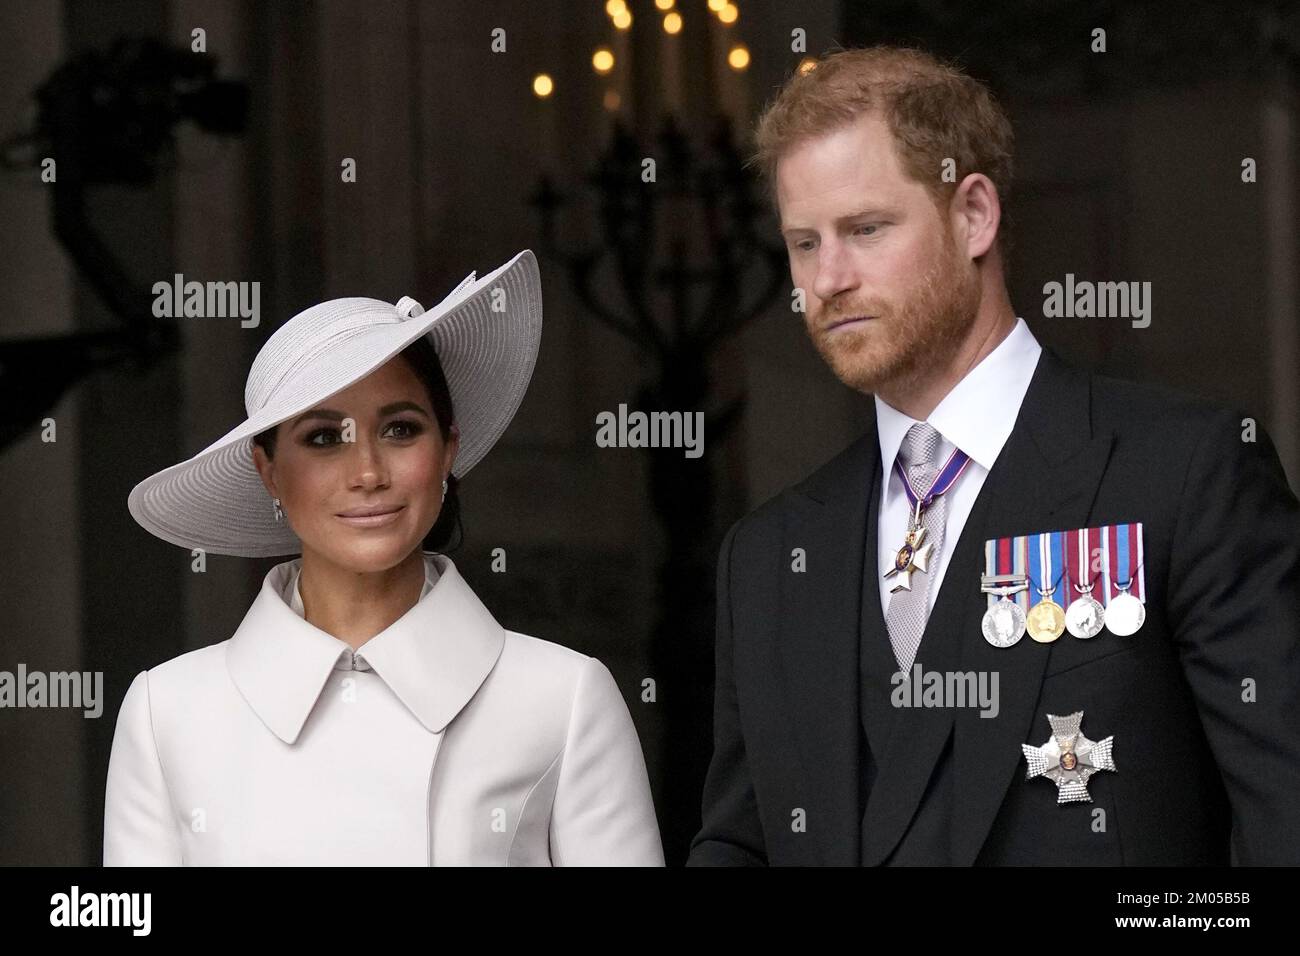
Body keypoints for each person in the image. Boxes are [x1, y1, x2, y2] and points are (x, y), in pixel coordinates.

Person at [688, 46, 1300, 865]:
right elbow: (739, 846)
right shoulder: (766, 558)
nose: (827, 278)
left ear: (973, 214)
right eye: (804, 243)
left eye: (866, 229)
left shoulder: (1186, 473)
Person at [106, 249, 664, 866]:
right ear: (269, 472)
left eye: (400, 429)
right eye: (323, 439)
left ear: (448, 448)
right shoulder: (168, 713)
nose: (368, 472)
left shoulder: (563, 698)